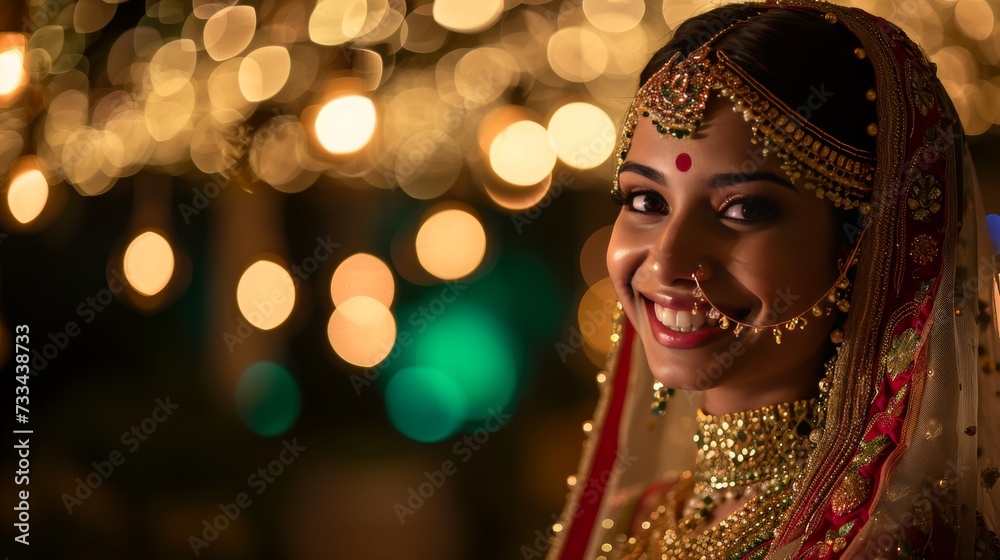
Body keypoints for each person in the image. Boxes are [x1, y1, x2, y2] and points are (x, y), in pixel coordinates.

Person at [545, 1, 1000, 558]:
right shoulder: (635, 524)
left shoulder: (895, 541)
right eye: (646, 199)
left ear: (866, 245)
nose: (666, 262)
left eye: (743, 210)